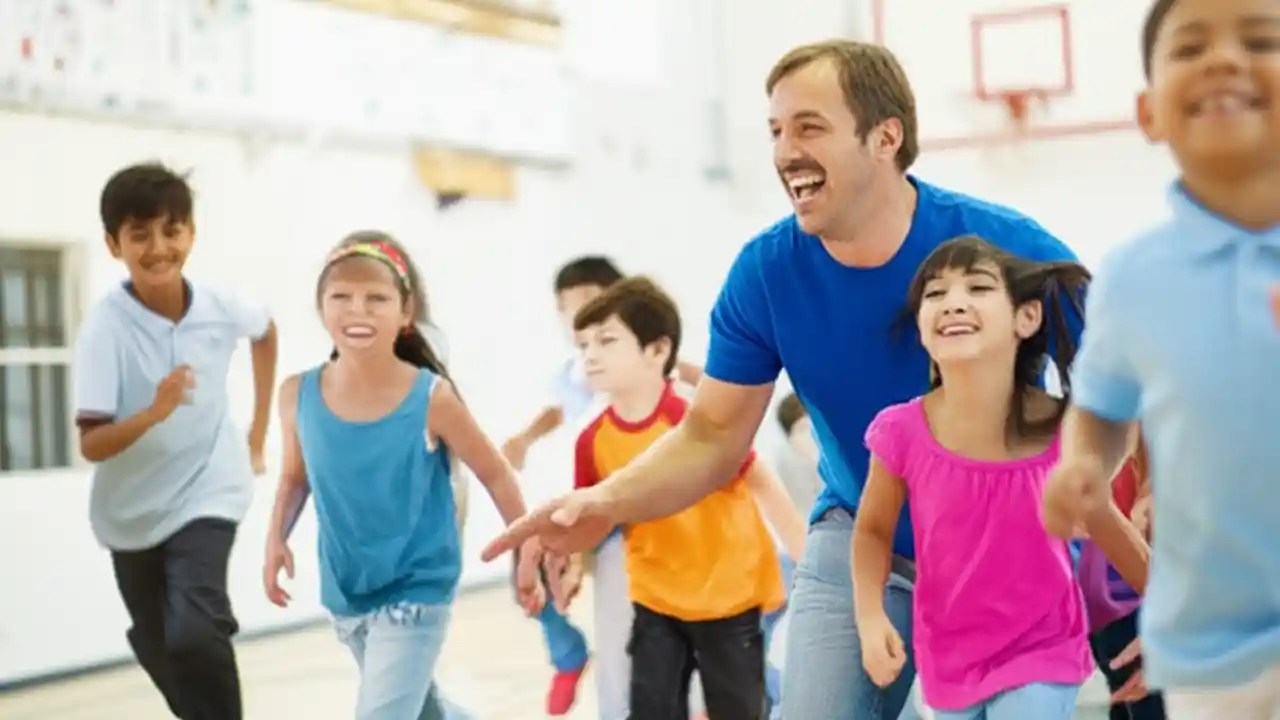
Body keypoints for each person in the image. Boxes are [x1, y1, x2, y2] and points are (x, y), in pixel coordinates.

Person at [482, 40, 1082, 720]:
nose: (785, 152)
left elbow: (1121, 396)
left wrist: (1137, 562)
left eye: (809, 127)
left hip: (1006, 555)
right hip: (860, 538)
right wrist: (603, 502)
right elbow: (712, 434)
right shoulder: (767, 273)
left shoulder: (1007, 250)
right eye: (775, 131)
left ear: (885, 137)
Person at [1041, 0, 1280, 718]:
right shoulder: (1133, 278)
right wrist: (1084, 465)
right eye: (1190, 47)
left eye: (1259, 40)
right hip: (1211, 645)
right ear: (1148, 113)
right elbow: (1102, 410)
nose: (1224, 59)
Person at [851, 236, 1149, 718]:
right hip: (948, 660)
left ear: (1026, 318)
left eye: (978, 287)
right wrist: (869, 618)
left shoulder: (1064, 429)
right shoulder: (900, 432)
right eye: (935, 293)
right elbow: (872, 530)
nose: (953, 303)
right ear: (922, 328)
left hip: (1044, 649)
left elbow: (1108, 525)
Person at [261, 234, 542, 719]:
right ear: (321, 307)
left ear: (404, 311)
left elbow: (495, 473)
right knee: (424, 712)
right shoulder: (296, 394)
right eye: (341, 297)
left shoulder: (432, 398)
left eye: (376, 298)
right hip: (347, 588)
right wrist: (275, 540)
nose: (358, 310)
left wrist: (527, 547)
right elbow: (294, 478)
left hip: (418, 585)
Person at [73, 162, 278, 719]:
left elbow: (265, 331)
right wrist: (153, 413)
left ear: (191, 233)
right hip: (131, 510)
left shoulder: (219, 307)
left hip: (209, 487)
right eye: (140, 234)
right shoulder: (104, 330)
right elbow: (91, 444)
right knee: (159, 642)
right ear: (114, 245)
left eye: (172, 230)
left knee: (194, 630)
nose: (159, 247)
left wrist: (258, 433)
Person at [553, 276, 806, 720]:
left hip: (728, 593)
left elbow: (761, 481)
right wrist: (571, 562)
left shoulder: (694, 421)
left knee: (737, 709)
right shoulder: (592, 441)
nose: (590, 355)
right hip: (656, 597)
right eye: (584, 344)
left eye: (606, 341)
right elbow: (593, 516)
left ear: (657, 351)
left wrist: (809, 560)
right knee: (652, 708)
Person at [501, 255, 704, 716]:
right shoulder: (579, 375)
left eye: (589, 302)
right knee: (527, 555)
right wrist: (523, 440)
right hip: (597, 501)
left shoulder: (652, 364)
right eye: (567, 308)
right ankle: (566, 650)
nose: (578, 315)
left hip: (647, 508)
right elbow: (557, 410)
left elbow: (701, 384)